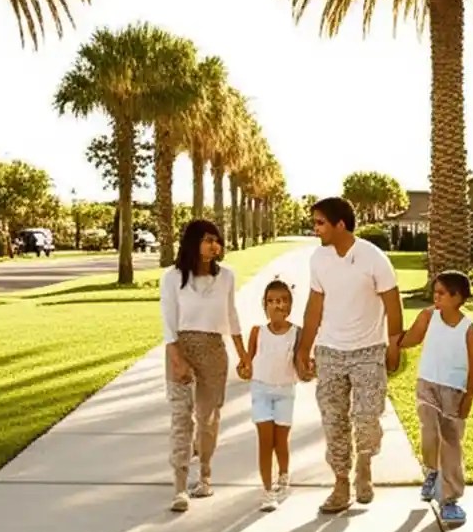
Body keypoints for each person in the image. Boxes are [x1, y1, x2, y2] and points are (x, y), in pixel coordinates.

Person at [295, 197, 403, 514]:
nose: (315, 229)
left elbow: (393, 306)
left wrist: (394, 345)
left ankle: (365, 464)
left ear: (340, 224)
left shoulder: (373, 258)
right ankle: (341, 483)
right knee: (333, 421)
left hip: (369, 351)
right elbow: (315, 306)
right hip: (330, 352)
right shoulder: (318, 259)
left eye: (320, 223)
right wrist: (304, 347)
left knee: (367, 417)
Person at [159, 218, 249, 512]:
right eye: (208, 239)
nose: (214, 245)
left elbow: (232, 314)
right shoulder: (171, 278)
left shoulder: (226, 277)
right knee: (181, 418)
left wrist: (243, 354)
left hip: (213, 350)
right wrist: (177, 360)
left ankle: (205, 477)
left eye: (217, 239)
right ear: (192, 242)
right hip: (179, 349)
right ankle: (179, 487)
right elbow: (168, 323)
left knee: (208, 418)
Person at [388, 270, 473, 527]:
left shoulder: (469, 329)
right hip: (427, 385)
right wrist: (392, 342)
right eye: (434, 292)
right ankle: (432, 471)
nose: (435, 297)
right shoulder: (429, 317)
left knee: (450, 444)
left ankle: (449, 500)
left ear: (457, 297)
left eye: (440, 293)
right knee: (429, 434)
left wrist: (469, 396)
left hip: (454, 391)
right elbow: (411, 339)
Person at [241, 278, 301, 512]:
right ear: (264, 305)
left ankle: (284, 474)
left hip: (286, 391)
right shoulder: (257, 332)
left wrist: (308, 369)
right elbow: (247, 362)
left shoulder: (296, 332)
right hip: (261, 390)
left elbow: (300, 363)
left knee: (280, 441)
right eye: (272, 301)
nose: (277, 306)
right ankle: (267, 491)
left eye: (283, 301)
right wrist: (244, 368)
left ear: (290, 306)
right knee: (265, 441)